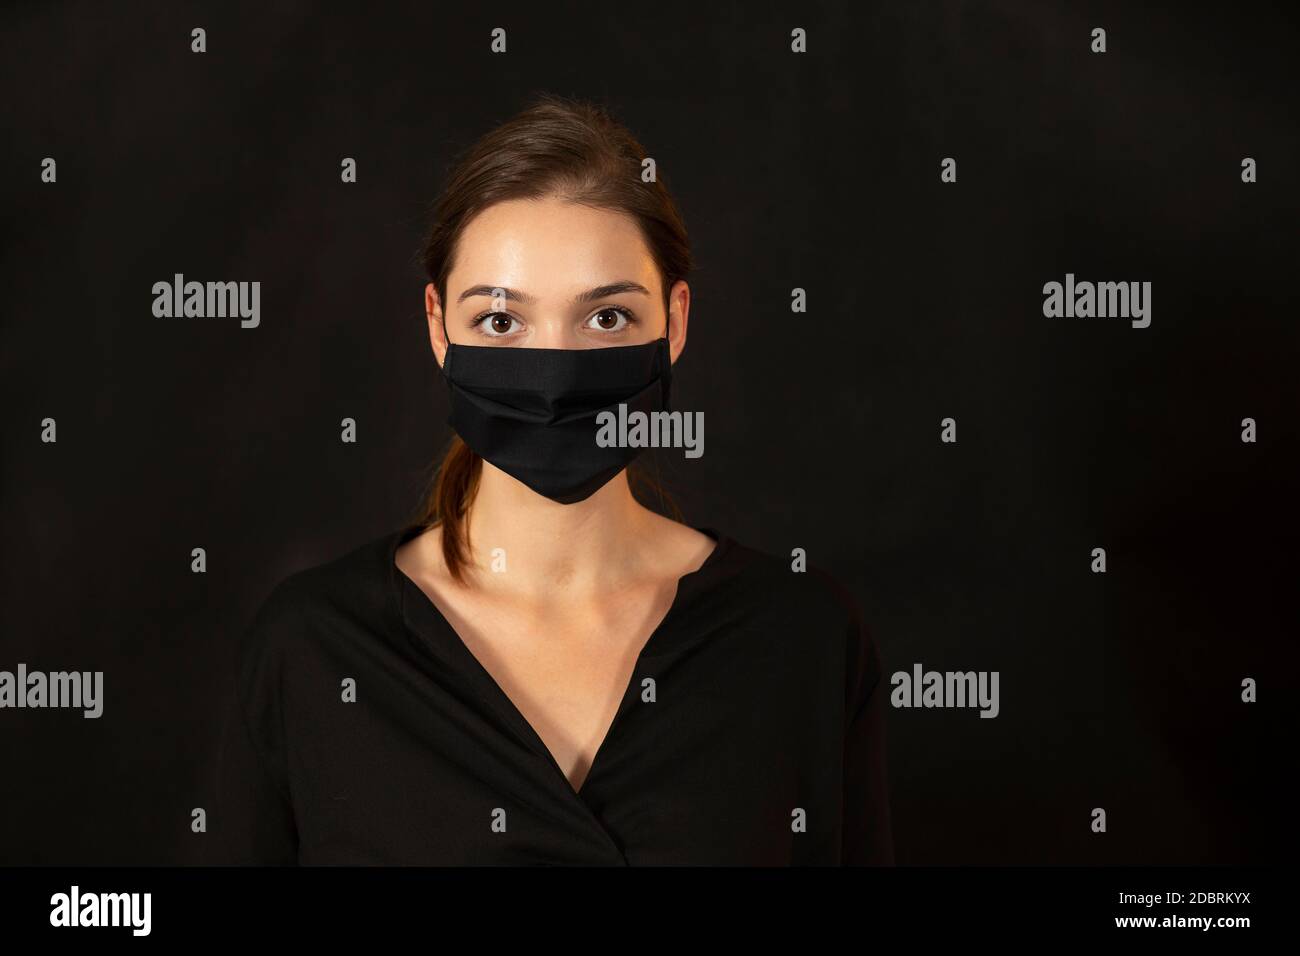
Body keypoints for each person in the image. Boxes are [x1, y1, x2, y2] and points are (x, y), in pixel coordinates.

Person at [204, 92, 893, 865]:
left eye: (606, 318)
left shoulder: (802, 640)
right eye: (501, 321)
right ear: (438, 326)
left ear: (678, 319)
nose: (556, 374)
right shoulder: (312, 650)